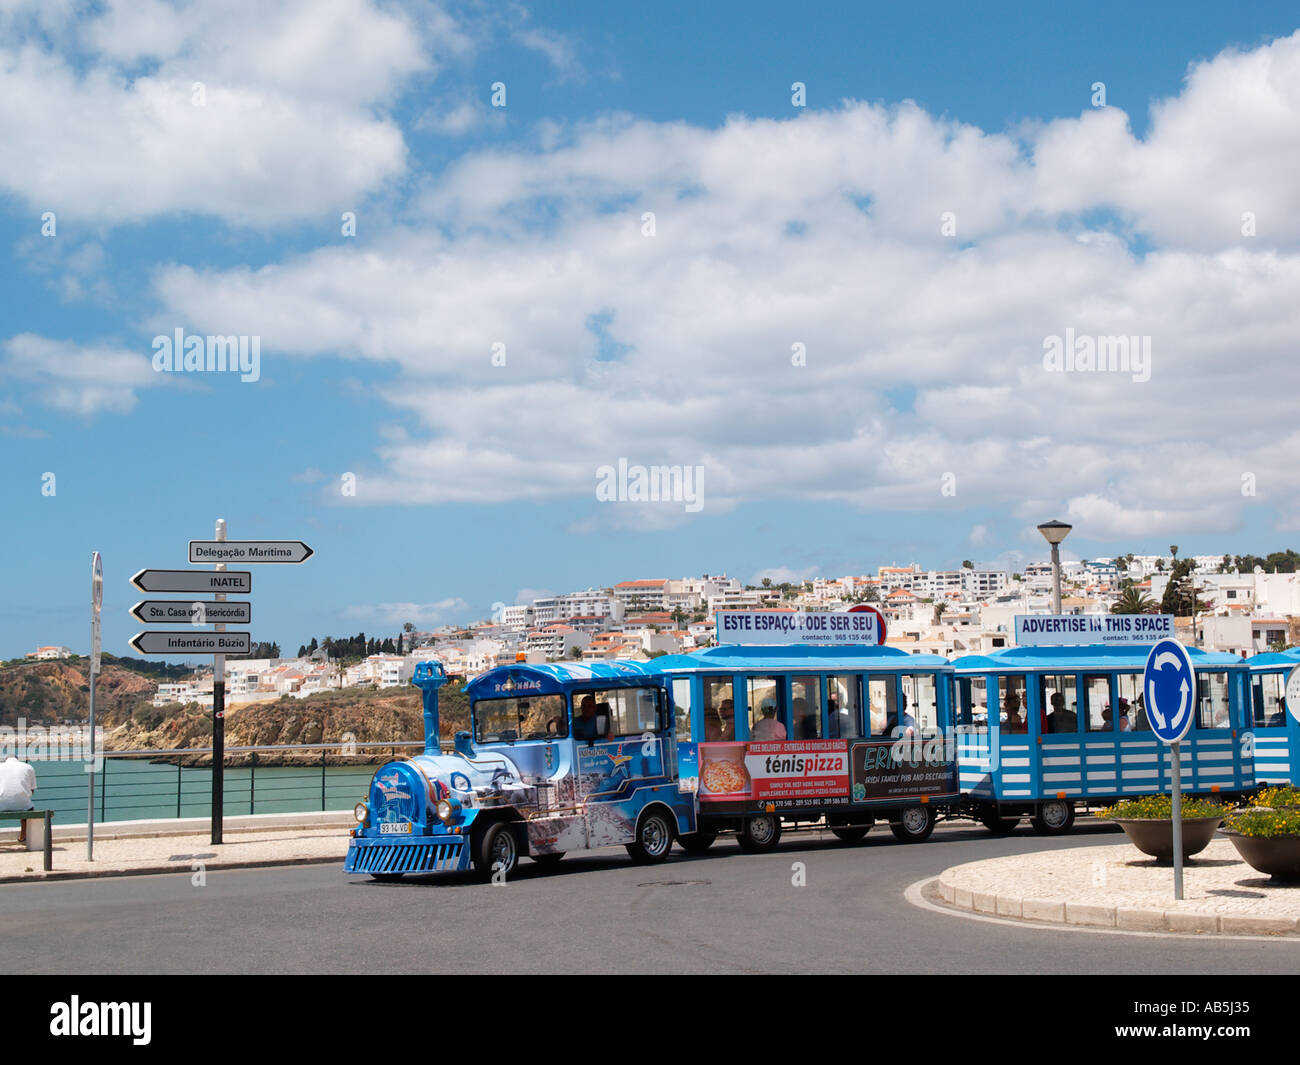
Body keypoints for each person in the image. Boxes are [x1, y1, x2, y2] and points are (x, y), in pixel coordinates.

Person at [0, 755, 37, 844]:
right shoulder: (28, 767)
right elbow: (32, 790)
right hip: (22, 805)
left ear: (5, 760)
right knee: (27, 806)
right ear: (17, 759)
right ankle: (23, 836)